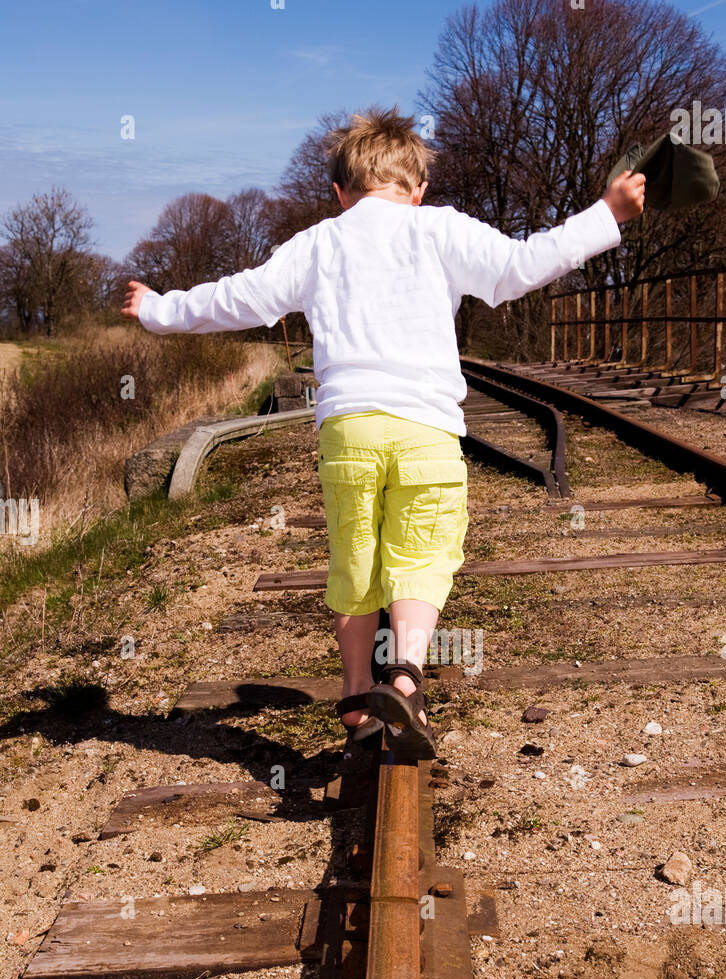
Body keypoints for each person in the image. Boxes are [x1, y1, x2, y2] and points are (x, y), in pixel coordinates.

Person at [123, 108, 645, 756]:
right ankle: (403, 675)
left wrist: (157, 309)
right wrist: (608, 214)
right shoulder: (439, 230)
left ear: (340, 193)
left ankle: (353, 699)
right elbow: (522, 267)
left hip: (348, 432)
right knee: (422, 558)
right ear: (419, 187)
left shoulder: (320, 243)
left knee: (356, 563)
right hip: (427, 431)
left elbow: (241, 298)